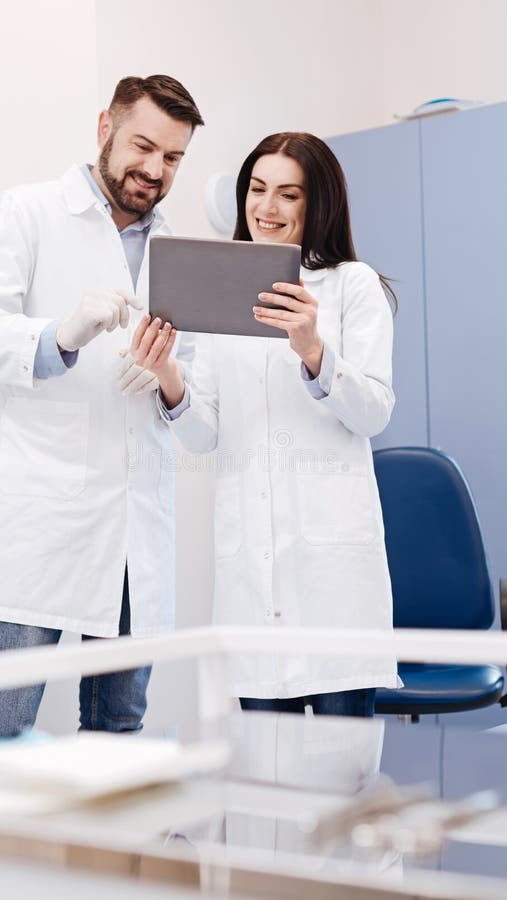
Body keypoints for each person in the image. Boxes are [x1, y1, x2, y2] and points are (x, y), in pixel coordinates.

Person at [0, 75, 204, 742]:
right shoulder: (27, 212)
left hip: (134, 534)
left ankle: (110, 854)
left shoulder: (180, 252)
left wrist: (168, 378)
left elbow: (199, 410)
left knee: (119, 733)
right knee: (0, 728)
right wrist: (60, 335)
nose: (154, 169)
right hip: (40, 522)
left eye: (173, 158)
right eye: (143, 146)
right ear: (104, 130)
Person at [127, 131, 398, 717]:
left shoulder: (353, 286)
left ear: (316, 204)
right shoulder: (224, 290)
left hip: (333, 583)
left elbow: (374, 411)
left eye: (288, 195)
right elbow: (204, 433)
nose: (266, 209)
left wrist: (313, 349)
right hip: (252, 572)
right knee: (262, 780)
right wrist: (168, 372)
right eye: (257, 189)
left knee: (339, 775)